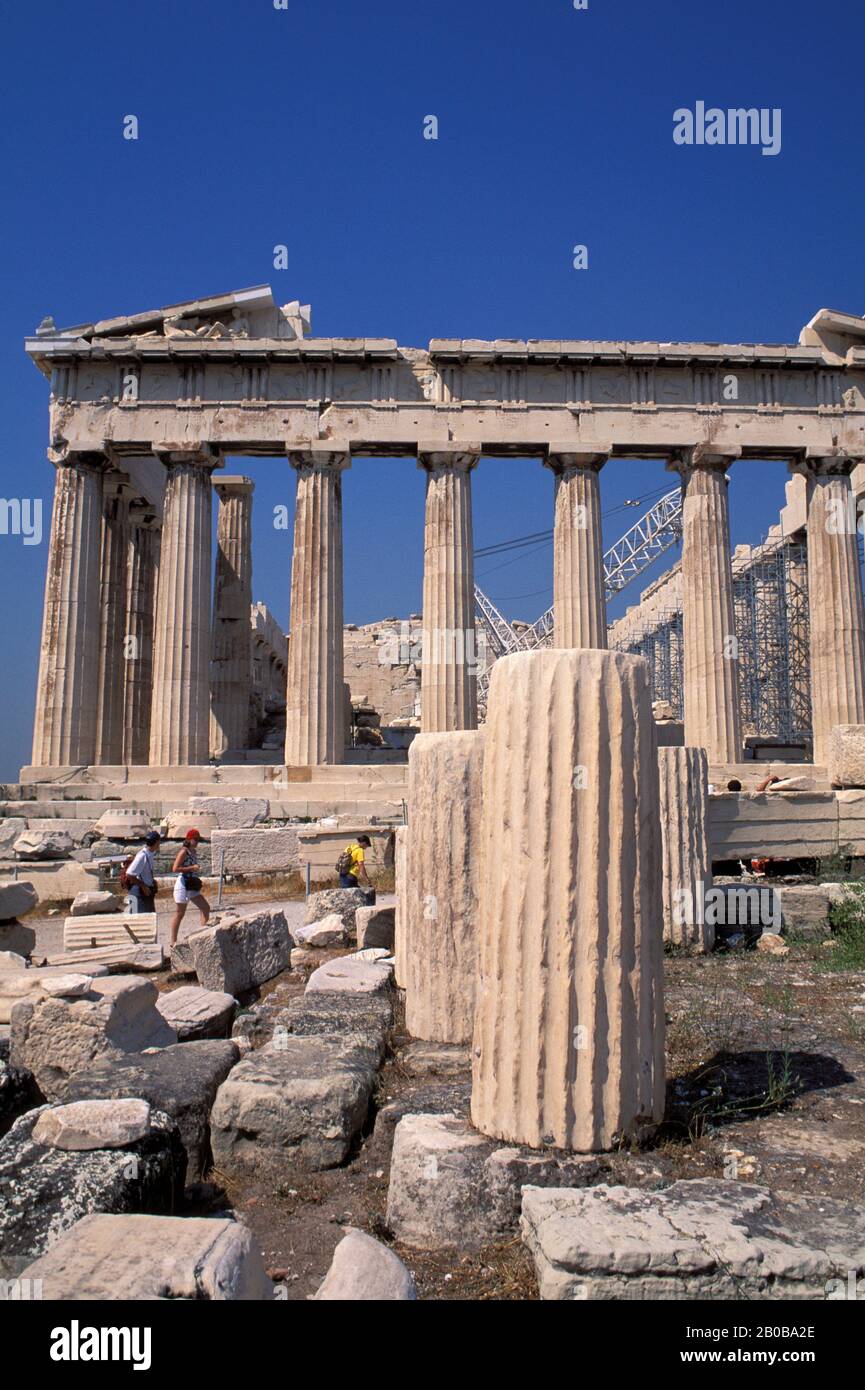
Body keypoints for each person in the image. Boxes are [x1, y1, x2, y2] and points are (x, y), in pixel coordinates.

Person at [169, 828, 210, 946]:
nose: (197, 842)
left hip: (191, 884)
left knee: (205, 907)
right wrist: (192, 868)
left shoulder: (194, 852)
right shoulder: (184, 852)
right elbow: (175, 869)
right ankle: (173, 941)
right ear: (189, 839)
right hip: (183, 884)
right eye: (195, 840)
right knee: (179, 913)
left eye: (198, 840)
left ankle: (203, 935)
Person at [125, 830, 161, 913]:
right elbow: (129, 874)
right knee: (138, 921)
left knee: (150, 919)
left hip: (146, 892)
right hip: (139, 893)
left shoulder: (150, 853)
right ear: (156, 842)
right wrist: (143, 886)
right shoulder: (142, 856)